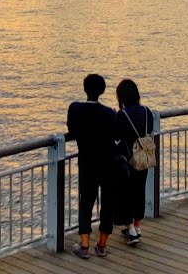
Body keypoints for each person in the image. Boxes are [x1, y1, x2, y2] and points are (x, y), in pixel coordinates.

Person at [67, 74, 117, 259]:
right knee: (108, 202)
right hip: (108, 162)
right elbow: (115, 133)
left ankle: (84, 245)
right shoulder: (109, 113)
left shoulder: (75, 109)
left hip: (88, 162)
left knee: (86, 202)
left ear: (84, 89)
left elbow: (72, 130)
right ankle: (102, 245)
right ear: (102, 91)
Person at [114, 79, 152, 246]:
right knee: (139, 191)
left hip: (127, 160)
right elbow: (148, 129)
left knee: (125, 193)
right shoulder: (146, 111)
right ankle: (137, 226)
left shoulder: (122, 115)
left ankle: (130, 229)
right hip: (143, 157)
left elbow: (116, 136)